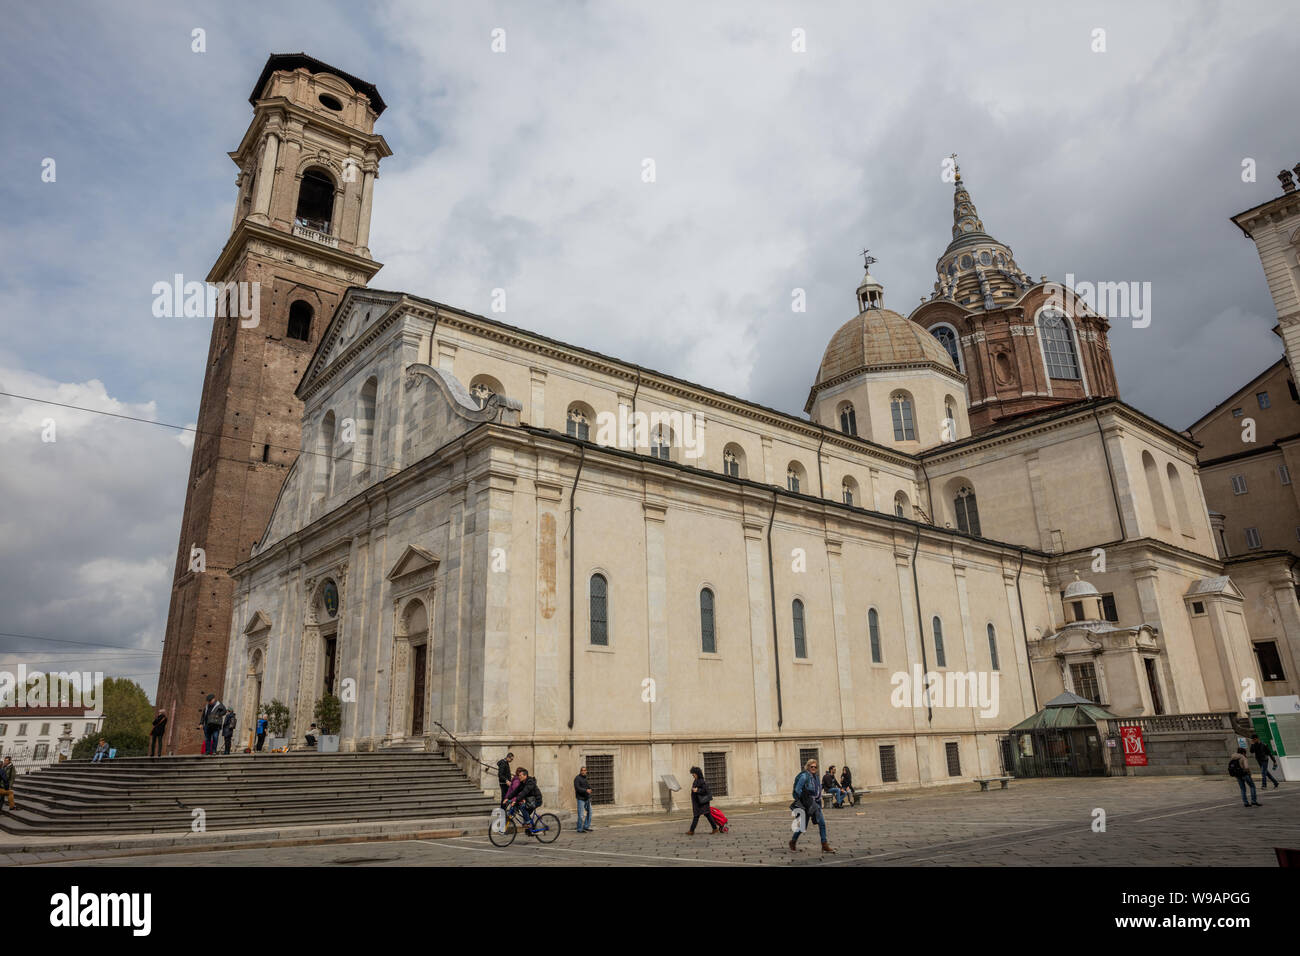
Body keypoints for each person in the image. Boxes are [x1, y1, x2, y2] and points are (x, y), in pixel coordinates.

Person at [790, 758, 835, 853]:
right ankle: (793, 841)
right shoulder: (804, 776)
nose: (813, 768)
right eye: (812, 766)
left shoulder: (816, 777)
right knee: (803, 827)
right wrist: (804, 800)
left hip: (816, 804)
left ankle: (824, 844)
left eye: (815, 767)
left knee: (821, 823)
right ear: (808, 767)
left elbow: (818, 790)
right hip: (807, 804)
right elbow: (797, 790)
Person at [687, 765, 720, 835]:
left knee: (701, 815)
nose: (692, 775)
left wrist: (697, 790)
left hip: (702, 802)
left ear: (697, 773)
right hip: (698, 802)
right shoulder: (696, 780)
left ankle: (691, 831)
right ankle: (714, 828)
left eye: (693, 773)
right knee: (702, 815)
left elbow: (705, 790)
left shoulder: (701, 781)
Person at [574, 765, 594, 833]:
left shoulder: (585, 778)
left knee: (590, 812)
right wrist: (586, 790)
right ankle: (579, 828)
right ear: (580, 771)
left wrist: (590, 789)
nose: (583, 772)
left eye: (584, 770)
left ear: (586, 771)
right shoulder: (577, 778)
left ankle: (586, 826)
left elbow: (588, 786)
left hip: (587, 798)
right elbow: (577, 788)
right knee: (581, 814)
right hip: (580, 799)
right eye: (582, 770)